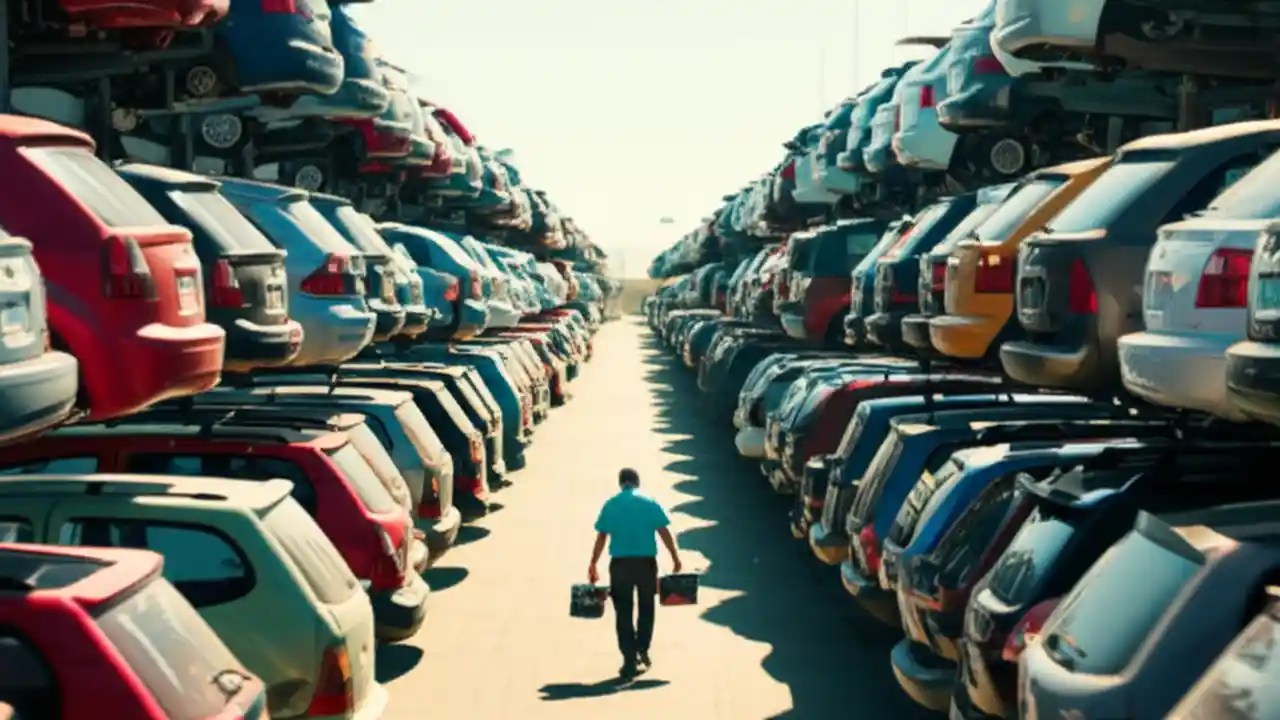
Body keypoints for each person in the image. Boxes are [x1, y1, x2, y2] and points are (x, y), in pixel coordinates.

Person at [588, 467, 682, 679]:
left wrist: (593, 563)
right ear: (637, 482)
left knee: (623, 611)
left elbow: (601, 536)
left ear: (621, 483)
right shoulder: (649, 502)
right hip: (645, 564)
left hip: (620, 565)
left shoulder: (611, 504)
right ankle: (642, 648)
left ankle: (628, 659)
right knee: (646, 607)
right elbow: (663, 531)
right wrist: (675, 557)